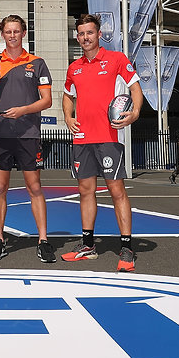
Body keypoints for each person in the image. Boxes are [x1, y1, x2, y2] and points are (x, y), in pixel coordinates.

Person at [62, 14, 144, 272]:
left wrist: (136, 113)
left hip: (109, 137)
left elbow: (136, 88)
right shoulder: (74, 67)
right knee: (85, 192)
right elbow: (67, 95)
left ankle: (127, 249)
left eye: (90, 32)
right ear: (78, 37)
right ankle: (88, 246)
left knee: (116, 191)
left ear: (99, 35)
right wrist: (67, 116)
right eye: (81, 34)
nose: (85, 37)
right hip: (82, 139)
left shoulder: (116, 59)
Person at [0, 14, 56, 263]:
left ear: (24, 33)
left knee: (34, 188)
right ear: (2, 34)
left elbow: (46, 101)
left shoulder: (37, 63)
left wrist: (23, 110)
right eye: (8, 32)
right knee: (0, 188)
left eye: (16, 31)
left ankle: (43, 241)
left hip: (28, 134)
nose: (12, 35)